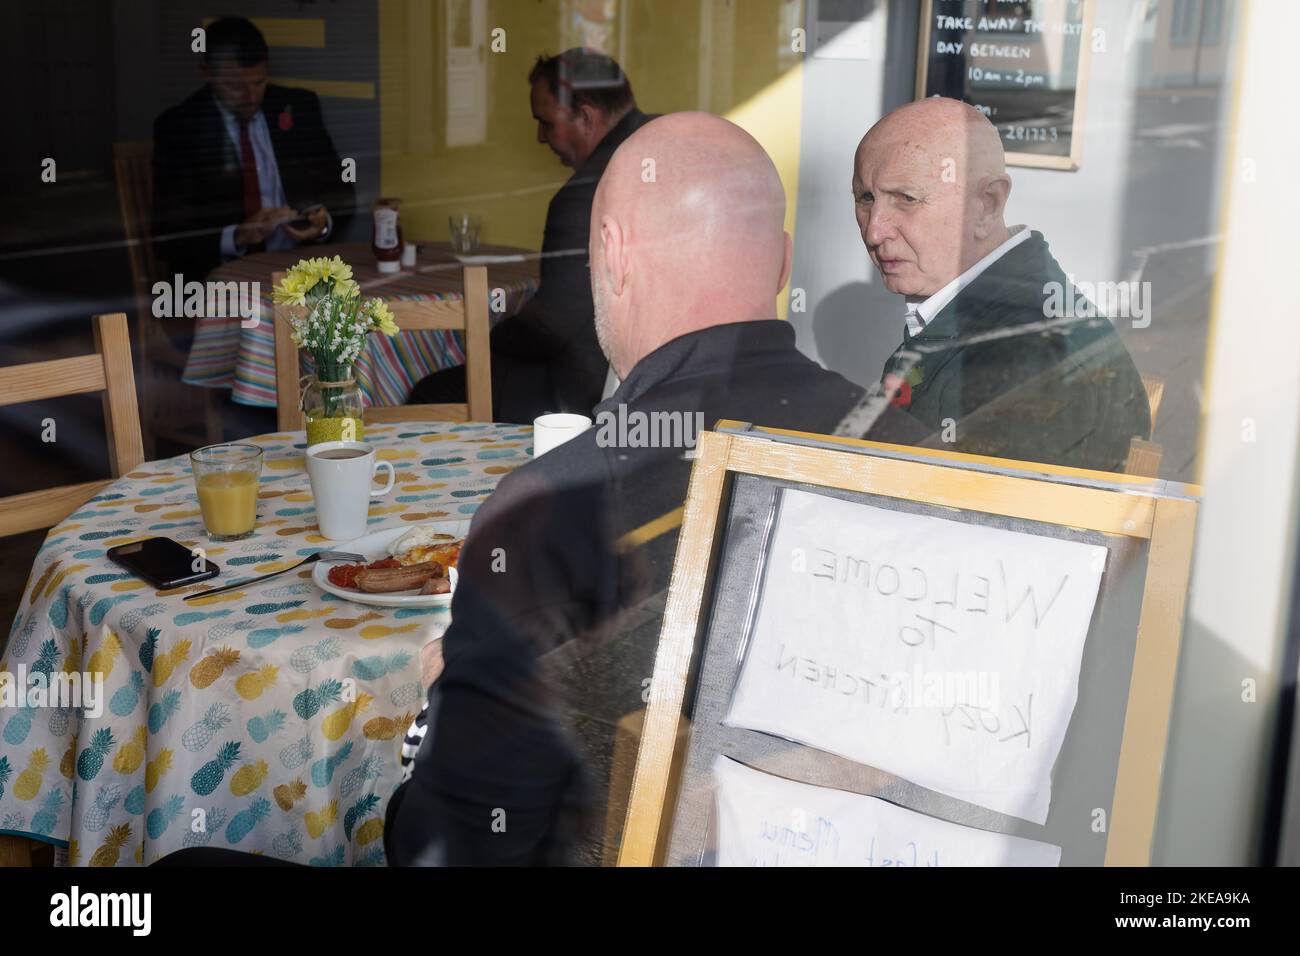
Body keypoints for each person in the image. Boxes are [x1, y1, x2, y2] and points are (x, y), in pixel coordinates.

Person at [384, 113, 928, 866]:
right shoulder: (913, 453)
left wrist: (441, 711)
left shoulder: (544, 509)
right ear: (781, 263)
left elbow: (448, 851)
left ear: (612, 254)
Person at [852, 97, 1150, 473]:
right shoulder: (1001, 317)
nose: (875, 231)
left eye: (906, 199)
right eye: (866, 198)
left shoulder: (1029, 358)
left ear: (987, 205)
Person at [409, 49, 655, 424]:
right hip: (661, 382)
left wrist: (483, 337)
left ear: (586, 117)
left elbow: (548, 329)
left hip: (580, 394)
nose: (540, 138)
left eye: (546, 123)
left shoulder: (584, 197)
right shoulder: (661, 145)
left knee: (430, 393)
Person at [152, 17, 354, 289]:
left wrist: (322, 223)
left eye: (259, 82)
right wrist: (237, 236)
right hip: (219, 282)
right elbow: (167, 238)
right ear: (207, 73)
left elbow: (340, 188)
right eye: (236, 86)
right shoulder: (179, 127)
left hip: (298, 271)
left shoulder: (297, 107)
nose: (250, 97)